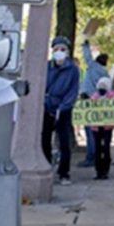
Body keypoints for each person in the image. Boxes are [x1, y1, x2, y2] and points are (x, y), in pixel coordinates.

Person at [43, 37, 80, 186]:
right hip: (47, 107)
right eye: (56, 49)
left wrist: (63, 107)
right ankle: (46, 167)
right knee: (44, 139)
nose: (59, 52)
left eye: (63, 49)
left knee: (64, 142)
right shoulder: (47, 67)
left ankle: (64, 173)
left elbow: (73, 90)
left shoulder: (73, 70)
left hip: (63, 109)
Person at [78, 38, 110, 169]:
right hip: (98, 102)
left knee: (89, 130)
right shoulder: (105, 73)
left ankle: (91, 155)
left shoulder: (92, 67)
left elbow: (87, 56)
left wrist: (85, 44)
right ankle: (97, 153)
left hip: (87, 99)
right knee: (96, 130)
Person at [90, 77, 114, 180]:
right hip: (96, 127)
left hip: (107, 127)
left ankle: (105, 170)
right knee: (97, 149)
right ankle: (98, 170)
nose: (102, 88)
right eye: (101, 86)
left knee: (106, 148)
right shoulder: (94, 96)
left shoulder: (112, 96)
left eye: (104, 86)